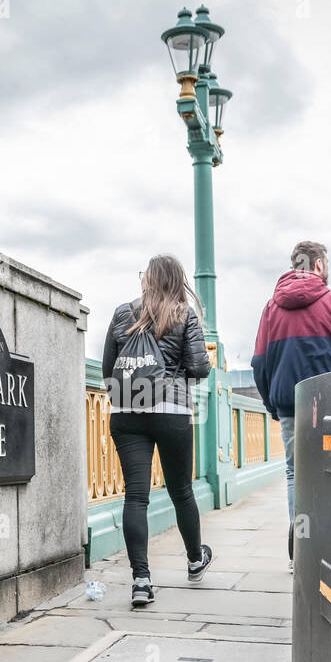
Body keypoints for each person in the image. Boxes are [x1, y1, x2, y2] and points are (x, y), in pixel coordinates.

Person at [250, 241, 331, 566]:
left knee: (296, 473)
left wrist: (272, 405)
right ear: (318, 265)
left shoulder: (271, 309)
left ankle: (302, 551)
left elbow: (259, 363)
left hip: (290, 406)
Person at [102, 254, 214, 607]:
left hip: (127, 410)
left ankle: (141, 581)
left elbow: (108, 369)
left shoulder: (122, 312)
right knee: (181, 491)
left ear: (147, 279)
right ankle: (195, 560)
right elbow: (199, 368)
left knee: (136, 497)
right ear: (178, 281)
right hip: (171, 409)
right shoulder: (185, 314)